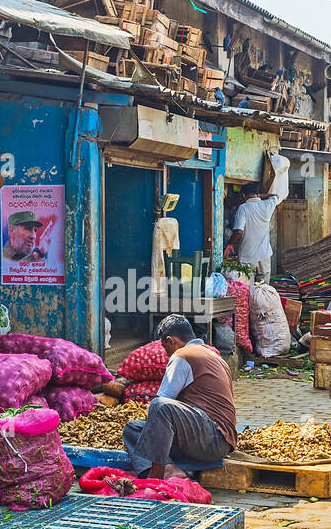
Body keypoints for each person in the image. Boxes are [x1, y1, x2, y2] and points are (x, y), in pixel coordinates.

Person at [121, 315, 236, 479]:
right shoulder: (216, 357)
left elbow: (163, 400)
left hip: (212, 438)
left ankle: (159, 472)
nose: (166, 352)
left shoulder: (182, 355)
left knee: (159, 405)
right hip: (221, 441)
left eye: (164, 346)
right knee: (133, 429)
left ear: (171, 340)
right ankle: (169, 467)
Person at [224, 154, 289, 282]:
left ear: (243, 195)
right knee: (264, 289)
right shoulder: (267, 205)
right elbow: (275, 196)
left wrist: (230, 244)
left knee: (249, 291)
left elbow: (238, 231)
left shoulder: (243, 209)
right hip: (264, 256)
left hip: (248, 257)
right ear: (256, 193)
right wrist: (260, 195)